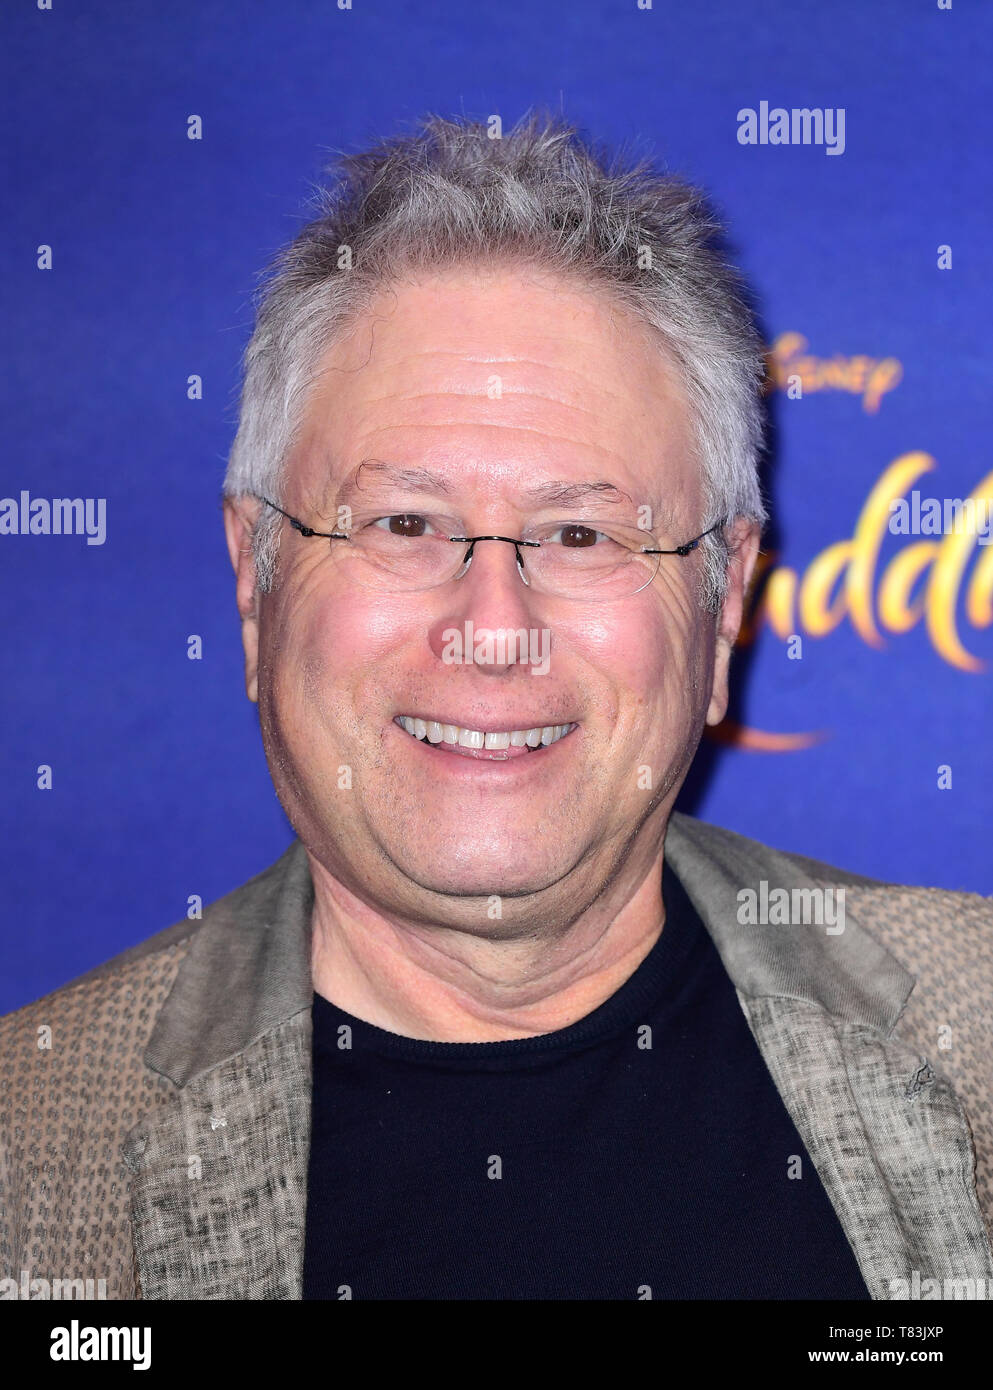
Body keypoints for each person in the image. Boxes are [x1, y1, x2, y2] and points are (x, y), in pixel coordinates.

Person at [2, 113, 990, 1302]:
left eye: (580, 533)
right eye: (405, 524)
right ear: (254, 583)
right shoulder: (30, 1148)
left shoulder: (974, 1027)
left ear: (723, 609)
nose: (492, 625)